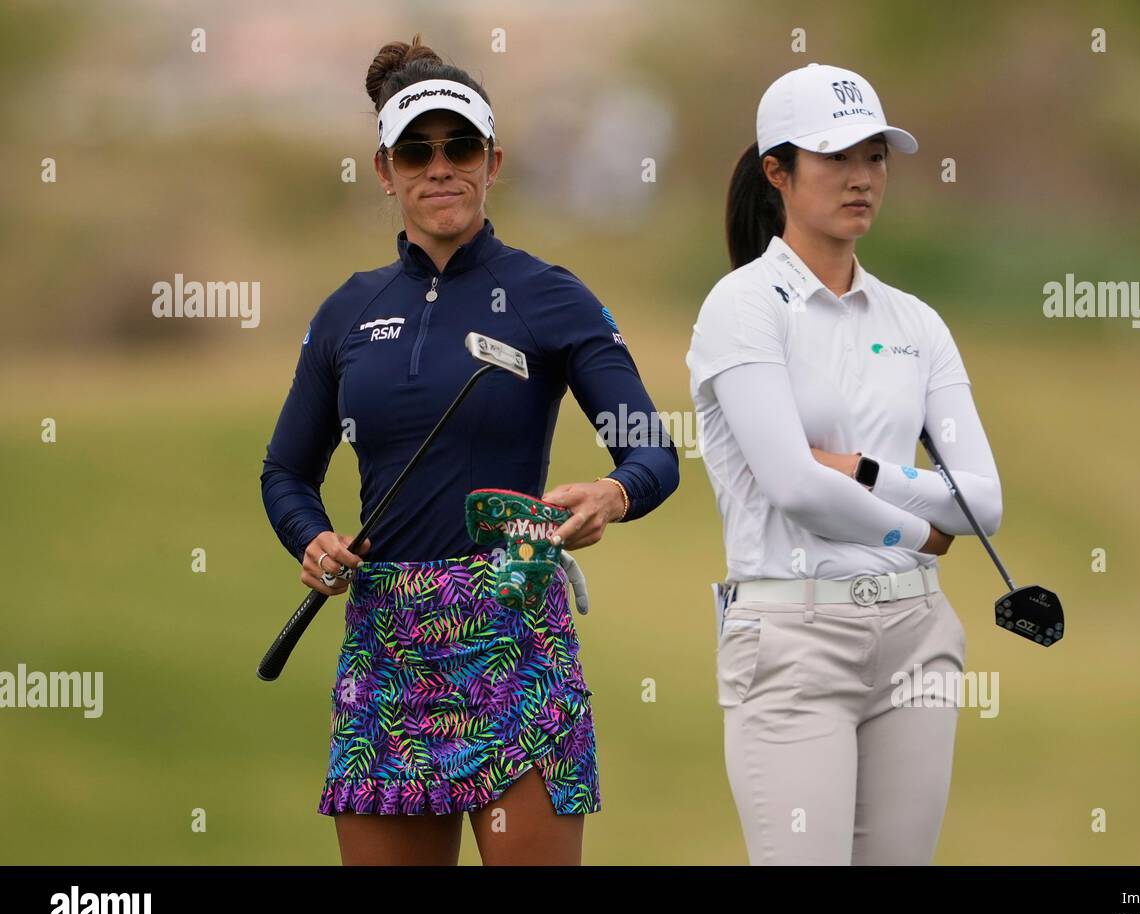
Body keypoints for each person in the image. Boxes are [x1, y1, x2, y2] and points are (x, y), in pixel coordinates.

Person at [260, 35, 679, 866]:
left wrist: (612, 493)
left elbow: (650, 447)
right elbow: (286, 473)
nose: (439, 166)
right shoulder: (348, 313)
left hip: (515, 635)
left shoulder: (549, 297)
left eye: (460, 147)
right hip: (388, 644)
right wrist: (310, 538)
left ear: (493, 160)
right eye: (416, 150)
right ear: (385, 170)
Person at [685, 63, 1002, 865]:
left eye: (875, 157)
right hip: (793, 636)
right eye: (836, 159)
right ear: (778, 173)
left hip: (916, 638)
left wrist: (864, 470)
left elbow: (984, 503)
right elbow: (793, 486)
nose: (861, 179)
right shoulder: (743, 305)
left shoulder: (916, 322)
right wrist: (919, 534)